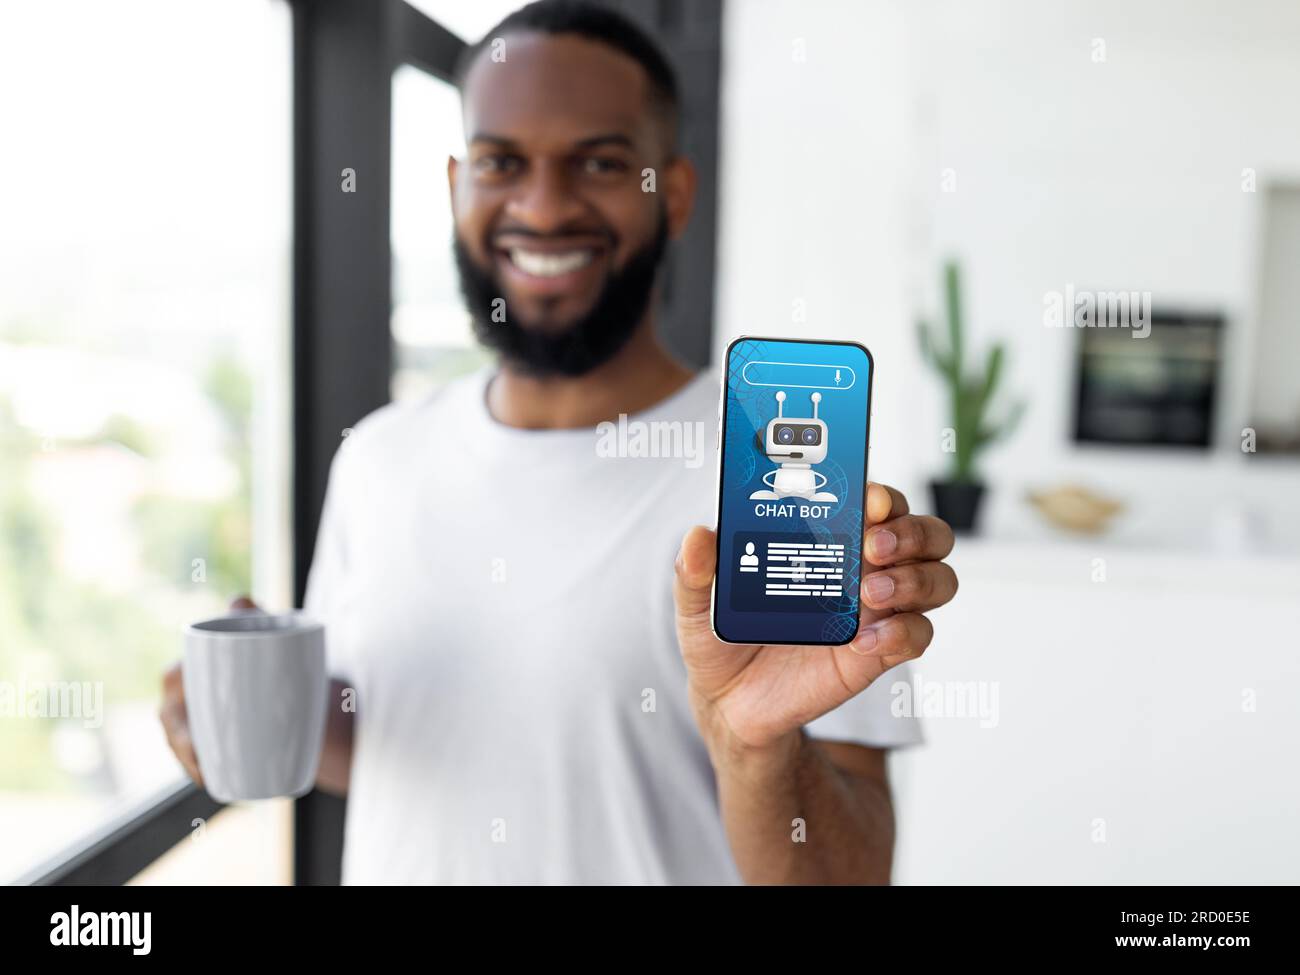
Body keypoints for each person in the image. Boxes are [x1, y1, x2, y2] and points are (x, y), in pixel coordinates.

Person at [160, 0, 958, 884]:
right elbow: (401, 737)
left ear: (676, 194)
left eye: (601, 162)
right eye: (503, 162)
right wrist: (263, 716)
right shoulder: (378, 457)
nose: (543, 206)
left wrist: (754, 749)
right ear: (458, 184)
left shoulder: (777, 483)